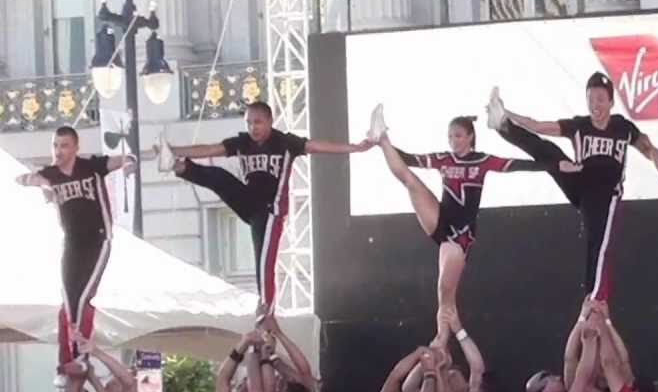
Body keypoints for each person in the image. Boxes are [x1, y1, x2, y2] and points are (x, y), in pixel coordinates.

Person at [159, 102, 375, 317]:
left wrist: (355, 147)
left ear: (270, 121)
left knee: (263, 261)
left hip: (271, 211)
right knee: (218, 176)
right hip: (248, 203)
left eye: (258, 122)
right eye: (249, 123)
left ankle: (266, 310)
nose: (253, 128)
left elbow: (318, 146)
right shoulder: (242, 142)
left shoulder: (285, 142)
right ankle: (178, 165)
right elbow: (209, 149)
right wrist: (173, 150)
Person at [486, 73, 658, 305]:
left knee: (597, 241)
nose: (595, 105)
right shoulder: (580, 125)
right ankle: (501, 124)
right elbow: (539, 127)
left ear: (611, 102)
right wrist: (507, 113)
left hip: (606, 193)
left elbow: (649, 148)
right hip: (580, 183)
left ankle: (594, 297)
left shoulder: (622, 127)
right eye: (590, 99)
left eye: (600, 99)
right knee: (548, 151)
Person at [368, 110, 545, 345]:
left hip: (460, 237)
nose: (453, 141)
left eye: (458, 136)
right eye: (450, 136)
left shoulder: (482, 161)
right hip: (440, 220)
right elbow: (408, 159)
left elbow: (516, 165)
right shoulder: (444, 159)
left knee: (445, 294)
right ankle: (382, 137)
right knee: (410, 181)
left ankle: (443, 338)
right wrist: (384, 146)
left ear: (470, 137)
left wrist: (553, 165)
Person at [12, 126, 148, 367]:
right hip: (71, 242)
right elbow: (23, 179)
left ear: (76, 148)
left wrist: (129, 163)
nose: (59, 151)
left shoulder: (91, 167)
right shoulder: (51, 174)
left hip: (98, 239)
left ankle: (82, 352)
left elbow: (125, 158)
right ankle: (70, 357)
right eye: (55, 145)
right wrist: (37, 182)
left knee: (83, 296)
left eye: (64, 146)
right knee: (67, 296)